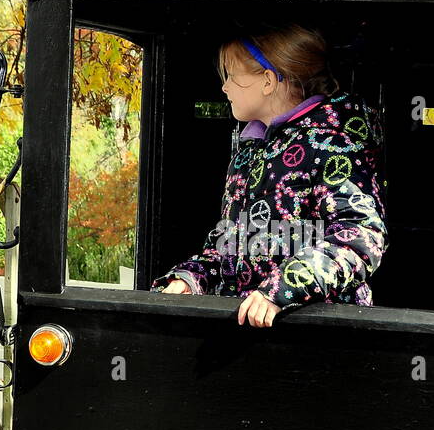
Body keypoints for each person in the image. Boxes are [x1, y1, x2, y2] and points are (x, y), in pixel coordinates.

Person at [150, 24, 388, 327]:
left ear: (266, 81)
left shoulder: (334, 144)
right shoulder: (250, 150)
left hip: (321, 333)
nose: (224, 87)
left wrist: (280, 291)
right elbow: (233, 243)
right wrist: (193, 277)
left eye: (232, 76)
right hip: (251, 326)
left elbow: (360, 236)